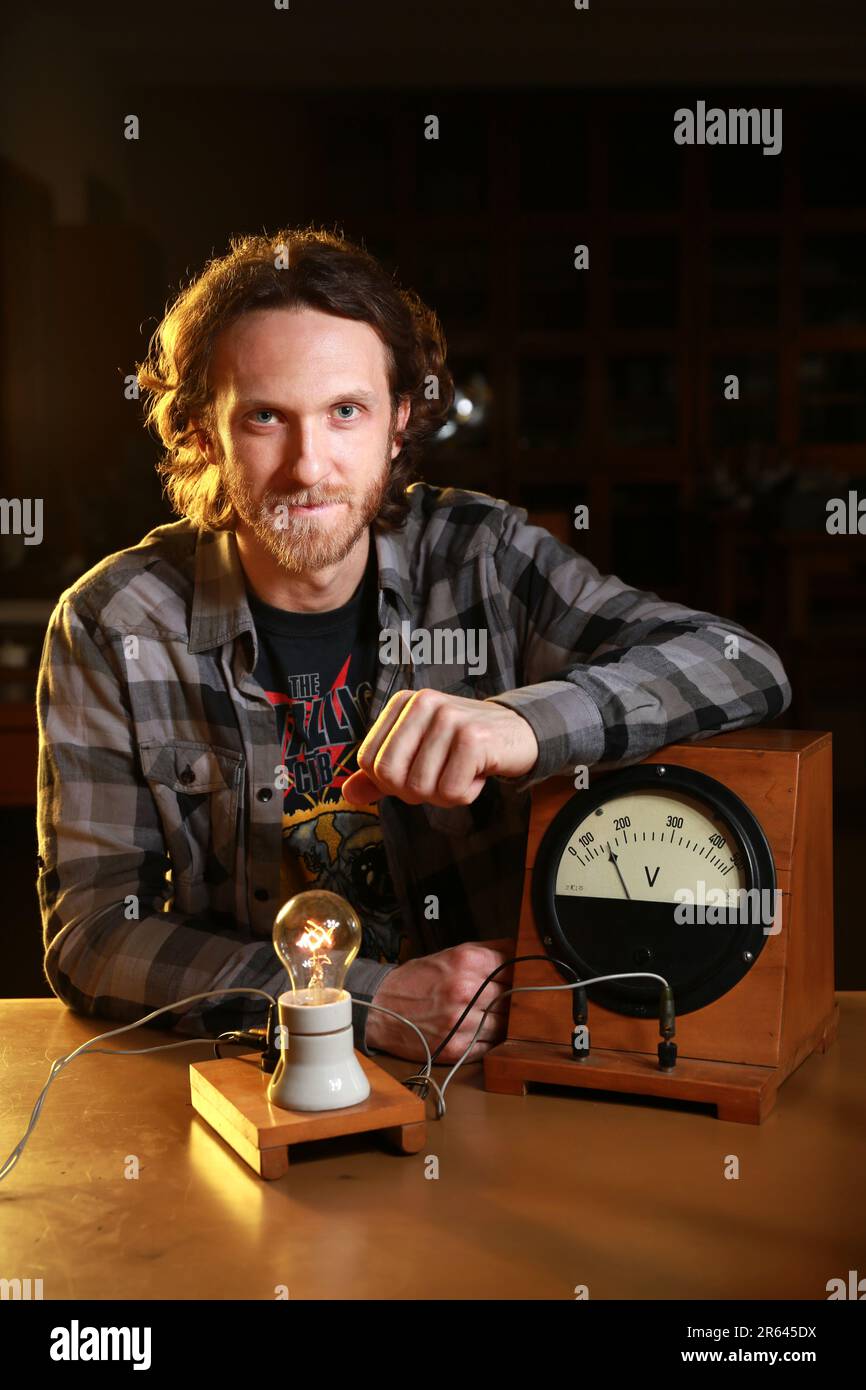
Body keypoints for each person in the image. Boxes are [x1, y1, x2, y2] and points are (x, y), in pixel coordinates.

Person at [36, 226, 792, 1066]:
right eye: (263, 418)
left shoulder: (485, 557)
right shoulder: (115, 621)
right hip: (256, 1083)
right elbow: (96, 934)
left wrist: (525, 726)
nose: (308, 466)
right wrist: (366, 1003)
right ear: (203, 434)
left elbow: (740, 662)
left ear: (399, 420)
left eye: (345, 412)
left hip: (502, 1070)